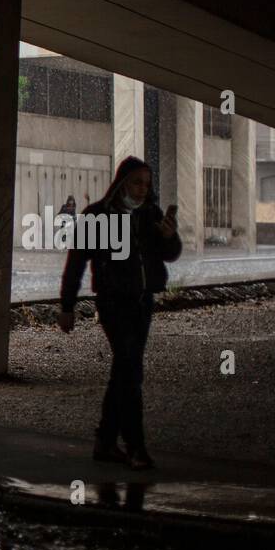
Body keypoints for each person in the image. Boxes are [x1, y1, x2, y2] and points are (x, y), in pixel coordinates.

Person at [59, 156, 181, 470]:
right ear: (122, 181)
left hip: (142, 303)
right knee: (131, 371)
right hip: (113, 304)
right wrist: (67, 306)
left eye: (147, 184)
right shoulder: (97, 215)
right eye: (137, 182)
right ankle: (136, 447)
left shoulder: (149, 215)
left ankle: (105, 441)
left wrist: (169, 237)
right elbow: (76, 263)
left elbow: (169, 255)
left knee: (124, 372)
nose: (143, 189)